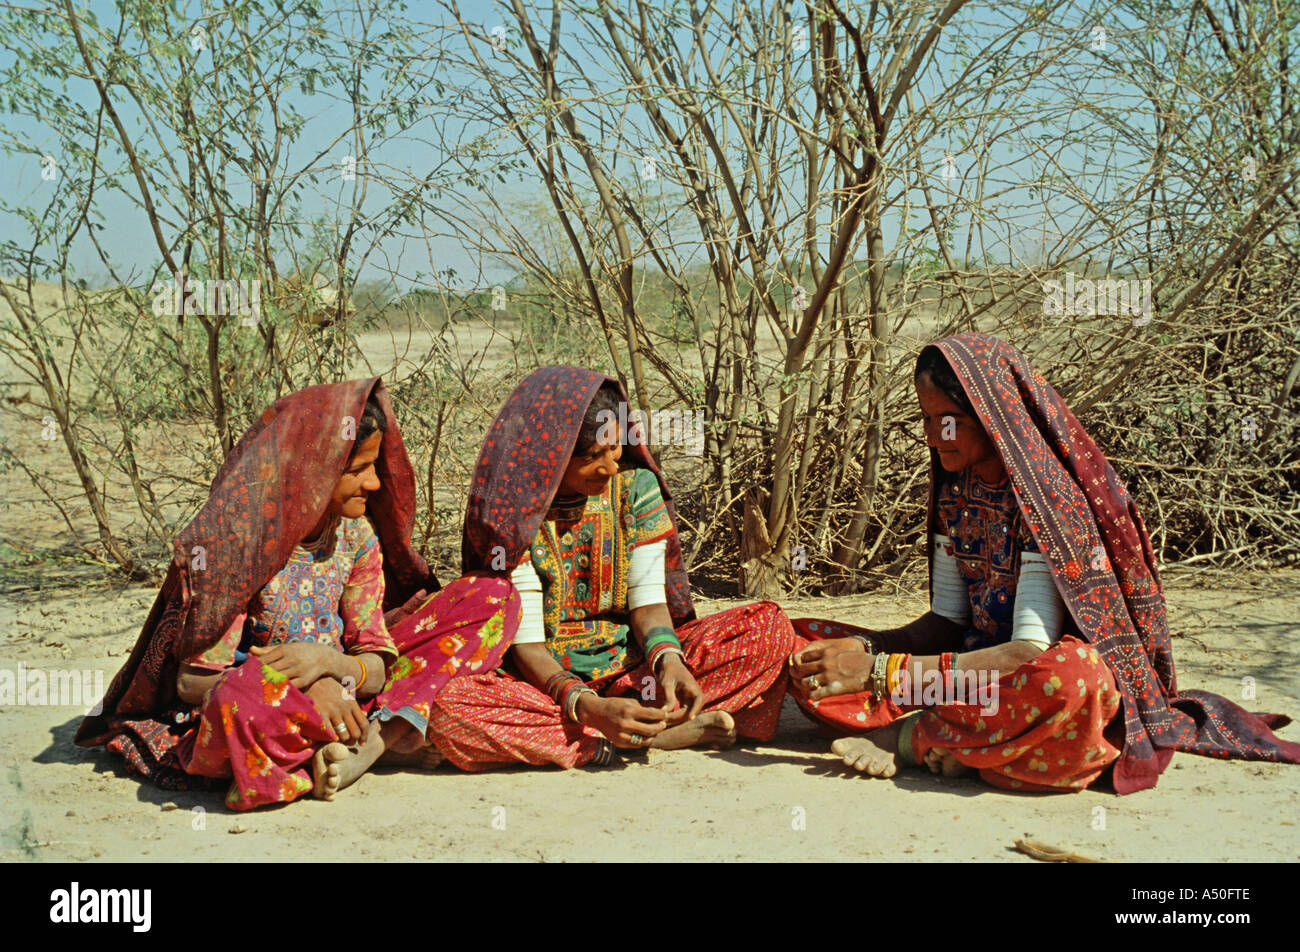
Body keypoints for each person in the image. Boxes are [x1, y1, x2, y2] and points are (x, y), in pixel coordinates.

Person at [788, 332, 1300, 792]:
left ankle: (915, 735)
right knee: (804, 648)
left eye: (950, 422)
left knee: (1075, 679)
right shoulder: (953, 491)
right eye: (926, 419)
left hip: (1028, 679)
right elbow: (947, 622)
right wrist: (859, 651)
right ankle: (986, 747)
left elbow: (1026, 653)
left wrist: (882, 674)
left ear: (996, 416)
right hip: (966, 677)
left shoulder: (1045, 501)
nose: (933, 437)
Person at [76, 379, 519, 809]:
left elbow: (376, 663)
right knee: (241, 702)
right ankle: (332, 752)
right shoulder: (240, 546)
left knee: (492, 596)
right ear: (311, 471)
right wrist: (305, 686)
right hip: (266, 703)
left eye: (374, 467)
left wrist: (331, 667)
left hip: (349, 695)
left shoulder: (355, 537)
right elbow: (194, 682)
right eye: (356, 470)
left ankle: (370, 744)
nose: (375, 484)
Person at [427, 366, 799, 769]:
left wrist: (669, 662)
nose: (608, 467)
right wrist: (589, 708)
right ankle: (622, 737)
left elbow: (648, 605)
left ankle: (635, 724)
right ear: (549, 454)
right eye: (590, 456)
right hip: (544, 686)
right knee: (450, 707)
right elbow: (528, 647)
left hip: (635, 672)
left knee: (770, 628)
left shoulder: (634, 488)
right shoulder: (514, 514)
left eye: (615, 448)